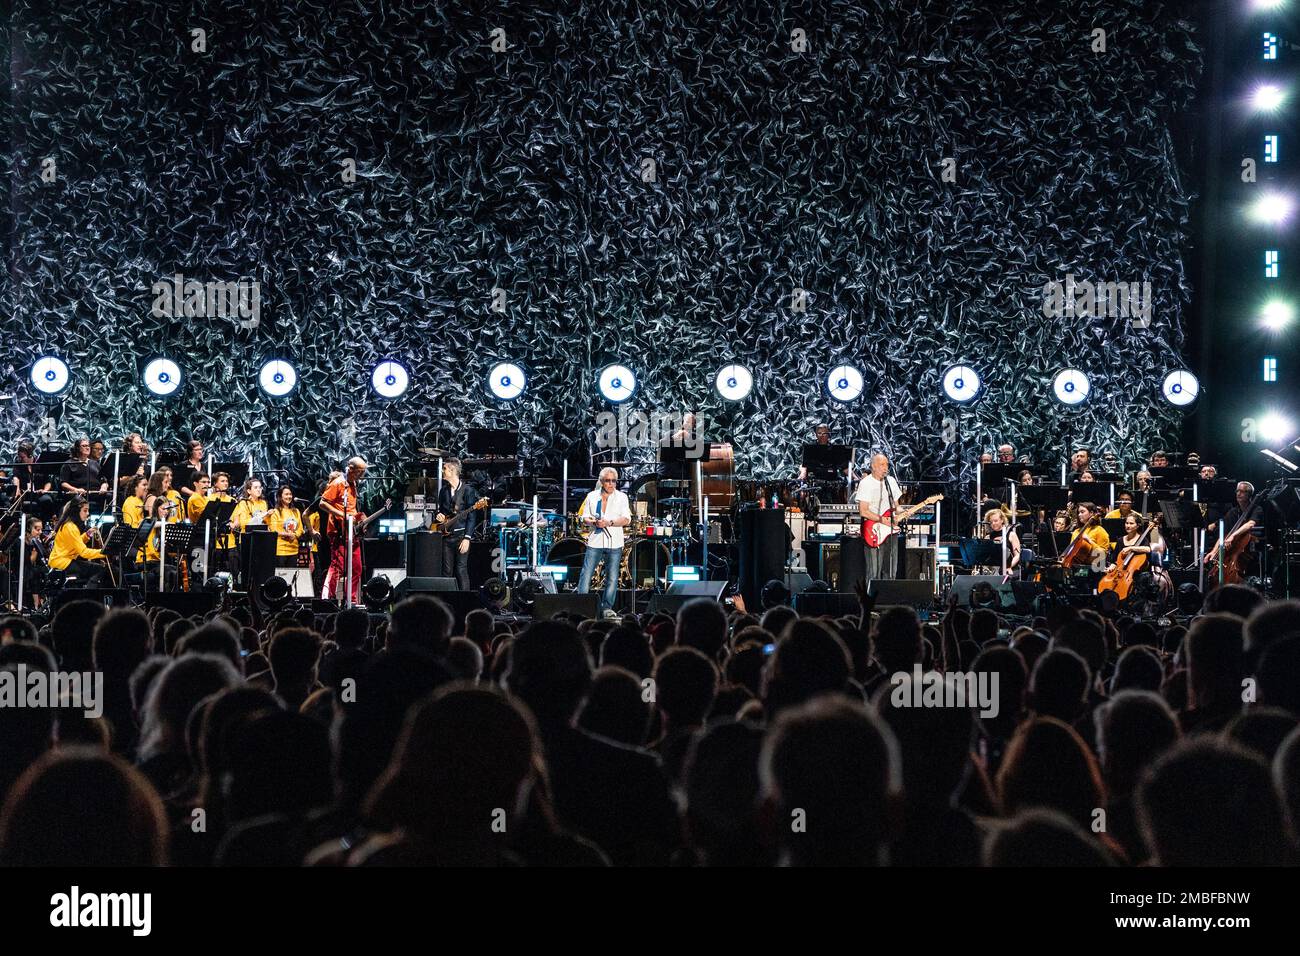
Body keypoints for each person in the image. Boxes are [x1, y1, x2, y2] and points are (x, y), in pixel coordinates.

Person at [577, 467, 631, 617]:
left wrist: (609, 522)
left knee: (612, 577)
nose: (611, 484)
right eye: (608, 481)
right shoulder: (592, 496)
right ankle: (583, 605)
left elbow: (626, 519)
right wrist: (594, 522)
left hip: (615, 542)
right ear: (601, 482)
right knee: (586, 574)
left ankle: (607, 608)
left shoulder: (622, 497)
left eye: (614, 481)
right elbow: (584, 517)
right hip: (595, 541)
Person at [321, 458, 368, 604]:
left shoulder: (353, 484)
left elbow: (352, 508)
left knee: (357, 568)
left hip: (351, 531)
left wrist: (361, 519)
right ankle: (331, 600)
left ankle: (351, 600)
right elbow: (323, 503)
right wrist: (343, 515)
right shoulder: (338, 483)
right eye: (360, 471)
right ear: (351, 468)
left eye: (363, 472)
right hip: (339, 531)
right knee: (338, 568)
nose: (362, 475)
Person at [856, 453, 903, 582]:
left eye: (887, 464)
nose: (885, 468)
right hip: (874, 529)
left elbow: (896, 506)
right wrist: (883, 520)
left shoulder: (891, 482)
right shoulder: (866, 483)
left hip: (890, 531)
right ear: (873, 466)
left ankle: (888, 598)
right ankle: (870, 600)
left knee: (890, 571)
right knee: (874, 572)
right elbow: (863, 511)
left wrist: (903, 512)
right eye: (882, 465)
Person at [433, 458, 479, 590]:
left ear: (452, 471)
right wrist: (439, 515)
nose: (443, 471)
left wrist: (467, 538)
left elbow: (472, 516)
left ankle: (464, 601)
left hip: (461, 536)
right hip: (446, 537)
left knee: (461, 570)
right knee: (446, 572)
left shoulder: (467, 491)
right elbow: (440, 510)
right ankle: (446, 601)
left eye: (445, 468)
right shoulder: (444, 491)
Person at [47, 497, 108, 588]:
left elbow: (74, 542)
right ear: (76, 510)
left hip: (60, 561)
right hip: (63, 563)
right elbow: (83, 552)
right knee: (99, 569)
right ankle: (88, 597)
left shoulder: (68, 525)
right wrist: (105, 552)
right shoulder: (71, 527)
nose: (87, 514)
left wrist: (87, 534)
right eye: (85, 510)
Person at [1204, 481, 1263, 573]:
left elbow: (1250, 524)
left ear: (1249, 494)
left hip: (1252, 549)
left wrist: (1233, 536)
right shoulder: (1233, 511)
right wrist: (1214, 551)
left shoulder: (1257, 509)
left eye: (1242, 491)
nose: (1238, 494)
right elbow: (1223, 535)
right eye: (1237, 491)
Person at [265, 486, 305, 568]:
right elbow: (273, 530)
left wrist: (295, 535)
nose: (289, 496)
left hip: (293, 549)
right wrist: (287, 535)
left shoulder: (296, 511)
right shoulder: (275, 512)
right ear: (280, 496)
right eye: (286, 494)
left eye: (290, 494)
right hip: (280, 550)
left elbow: (300, 528)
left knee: (291, 577)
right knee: (281, 577)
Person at [1068, 502, 1109, 568]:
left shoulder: (1100, 530)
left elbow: (1103, 554)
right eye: (1079, 512)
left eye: (1082, 512)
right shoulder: (1076, 532)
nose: (1079, 515)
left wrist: (1089, 541)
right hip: (1076, 566)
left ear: (1091, 513)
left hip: (1094, 568)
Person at [984, 507, 1021, 574]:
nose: (993, 524)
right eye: (991, 522)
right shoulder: (988, 537)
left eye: (995, 521)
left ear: (1002, 520)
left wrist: (1008, 566)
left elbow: (1017, 555)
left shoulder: (1011, 535)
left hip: (1010, 568)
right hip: (994, 571)